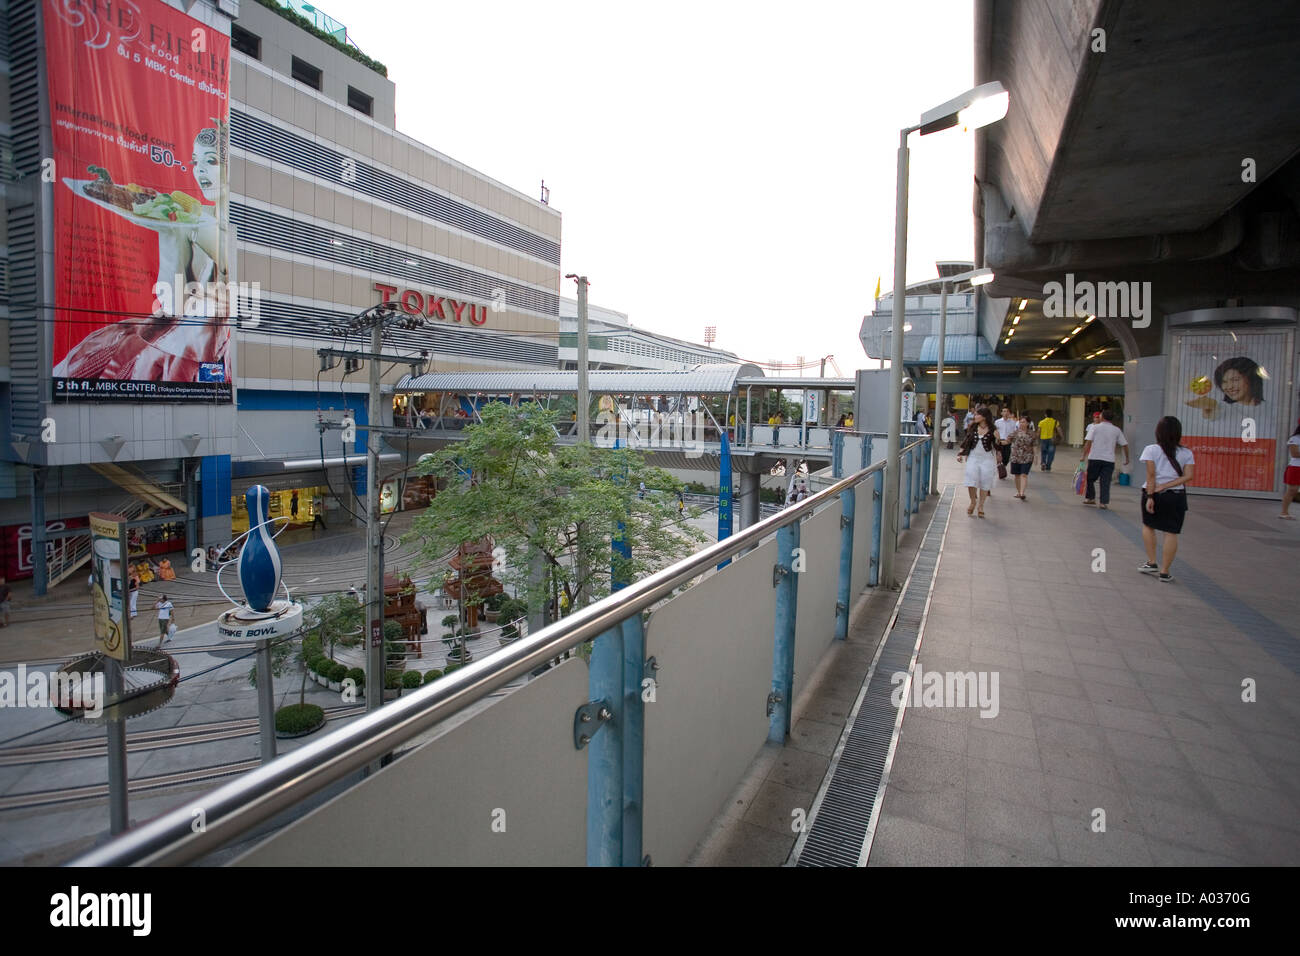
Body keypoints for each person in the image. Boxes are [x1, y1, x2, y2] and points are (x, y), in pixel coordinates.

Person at [1138, 416, 1195, 582]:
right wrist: (1169, 485)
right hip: (1176, 497)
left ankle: (1152, 562)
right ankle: (1165, 571)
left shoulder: (1151, 450)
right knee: (1171, 533)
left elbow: (1151, 475)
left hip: (1153, 492)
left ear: (1159, 432)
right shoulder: (1186, 453)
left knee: (1149, 526)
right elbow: (1188, 476)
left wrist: (1151, 495)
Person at [1081, 409, 1129, 509]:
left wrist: (1083, 456)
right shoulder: (1116, 430)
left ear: (1102, 417)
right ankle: (1103, 502)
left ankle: (1090, 498)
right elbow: (1124, 444)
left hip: (1095, 457)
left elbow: (1088, 442)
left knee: (1090, 479)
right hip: (1109, 460)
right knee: (1105, 481)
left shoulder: (1094, 428)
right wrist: (1127, 458)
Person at [956, 406, 998, 518]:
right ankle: (973, 502)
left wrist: (998, 439)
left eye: (977, 414)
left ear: (984, 417)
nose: (975, 416)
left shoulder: (993, 430)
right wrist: (960, 453)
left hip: (987, 458)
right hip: (973, 457)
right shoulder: (973, 427)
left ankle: (981, 506)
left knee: (985, 481)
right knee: (971, 480)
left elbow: (998, 446)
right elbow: (966, 441)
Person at [1009, 415, 1038, 499]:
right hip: (1015, 456)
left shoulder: (1032, 434)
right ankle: (1018, 492)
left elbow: (1035, 445)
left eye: (1024, 422)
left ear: (1028, 423)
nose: (1022, 423)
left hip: (1027, 457)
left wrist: (1036, 456)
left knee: (1024, 474)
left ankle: (1022, 493)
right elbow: (1007, 440)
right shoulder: (1015, 432)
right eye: (1020, 422)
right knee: (1017, 475)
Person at [1281, 421, 1300, 519]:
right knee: (1292, 490)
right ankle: (1284, 512)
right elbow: (1295, 454)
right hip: (1296, 467)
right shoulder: (1295, 439)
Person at [994, 406, 1018, 477]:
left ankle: (1003, 465)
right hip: (999, 441)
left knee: (1006, 457)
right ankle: (1000, 470)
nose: (1005, 413)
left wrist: (1010, 439)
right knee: (999, 456)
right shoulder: (997, 422)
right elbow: (995, 431)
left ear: (1009, 413)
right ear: (1001, 413)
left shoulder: (1013, 422)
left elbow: (1015, 432)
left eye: (1007, 411)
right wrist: (997, 439)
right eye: (1004, 411)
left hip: (1008, 442)